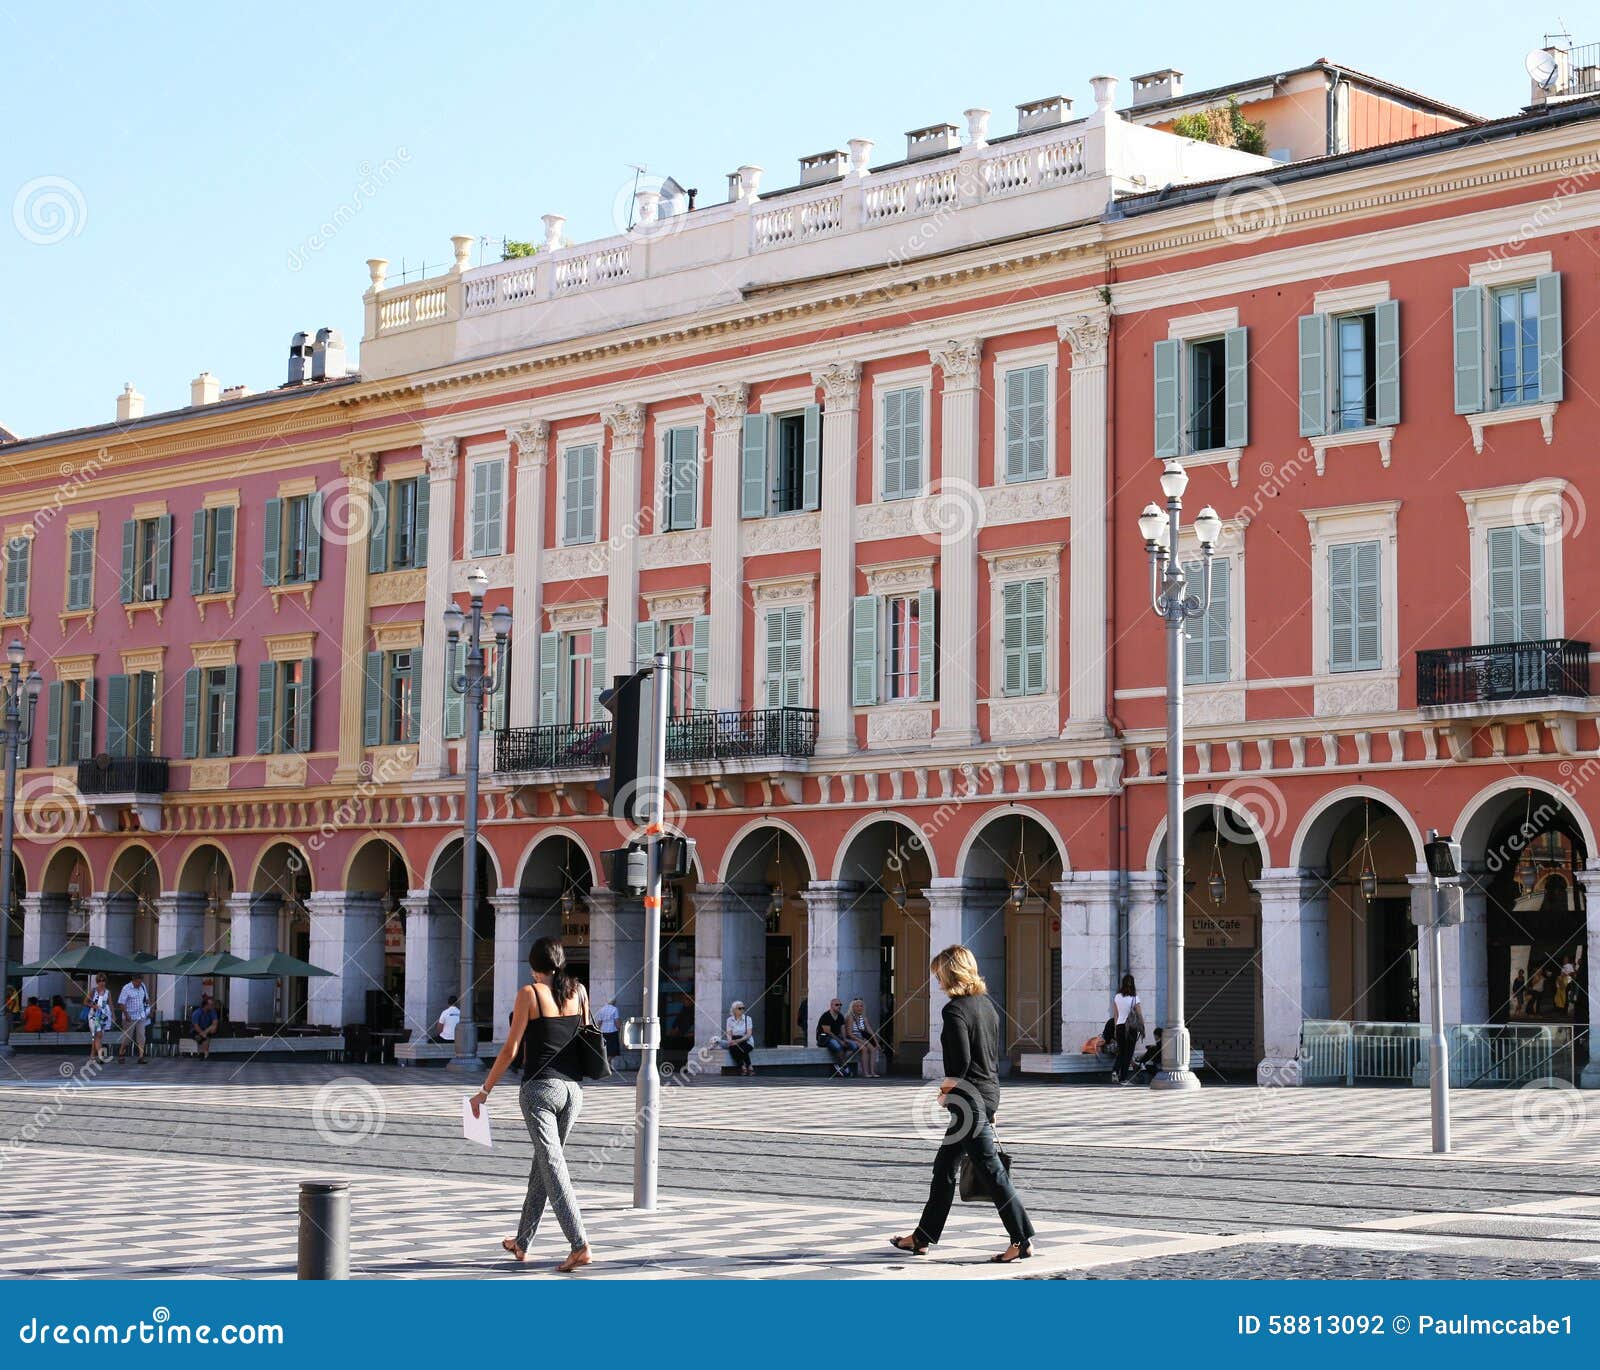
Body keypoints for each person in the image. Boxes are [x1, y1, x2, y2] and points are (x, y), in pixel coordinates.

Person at [890, 945, 1036, 1263]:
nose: (937, 980)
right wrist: (990, 1106)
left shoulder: (954, 1010)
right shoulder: (987, 1006)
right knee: (944, 1167)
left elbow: (959, 1065)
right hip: (987, 1094)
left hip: (968, 1101)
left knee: (992, 1171)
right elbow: (989, 1060)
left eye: (938, 974)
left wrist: (944, 1092)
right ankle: (922, 1237)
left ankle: (1021, 1240)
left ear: (949, 973)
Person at [470, 937, 593, 1273]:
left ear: (533, 965)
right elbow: (586, 1038)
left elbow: (510, 1049)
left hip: (540, 1089)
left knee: (553, 1167)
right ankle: (522, 1241)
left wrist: (484, 1091)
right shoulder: (579, 992)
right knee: (544, 1165)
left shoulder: (530, 994)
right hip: (573, 1091)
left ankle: (579, 1244)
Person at [1110, 973, 1143, 1084]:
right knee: (1128, 1054)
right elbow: (1139, 1015)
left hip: (1119, 1026)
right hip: (1131, 1028)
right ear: (1133, 984)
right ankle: (1123, 1078)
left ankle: (1115, 1071)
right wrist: (1142, 1027)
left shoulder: (1117, 997)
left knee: (1121, 1052)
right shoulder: (1135, 998)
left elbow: (1116, 1015)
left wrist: (1115, 1029)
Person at [845, 997, 884, 1078]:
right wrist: (861, 1041)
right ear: (852, 1008)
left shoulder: (863, 1017)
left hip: (861, 1037)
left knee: (873, 1049)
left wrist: (876, 1042)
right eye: (857, 1006)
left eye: (861, 1006)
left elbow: (870, 1031)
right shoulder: (850, 1017)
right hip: (852, 1038)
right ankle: (865, 1072)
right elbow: (849, 1033)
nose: (859, 1008)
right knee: (864, 1049)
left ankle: (872, 1072)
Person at [117, 972, 151, 1065]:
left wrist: (148, 1007)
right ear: (133, 980)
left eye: (140, 982)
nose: (139, 984)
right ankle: (121, 1053)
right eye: (137, 982)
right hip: (129, 1016)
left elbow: (146, 998)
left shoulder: (142, 986)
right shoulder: (126, 988)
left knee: (141, 1036)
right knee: (128, 1038)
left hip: (141, 1016)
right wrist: (126, 1014)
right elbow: (121, 1003)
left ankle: (141, 1057)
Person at [815, 998, 850, 1076]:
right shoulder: (826, 1016)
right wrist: (840, 1041)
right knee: (837, 1046)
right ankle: (844, 1067)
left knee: (853, 1045)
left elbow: (843, 1029)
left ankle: (839, 1064)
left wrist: (845, 1039)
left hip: (836, 1037)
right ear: (831, 1005)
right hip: (824, 1038)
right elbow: (828, 1032)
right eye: (837, 1005)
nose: (839, 1006)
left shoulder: (840, 1016)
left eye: (840, 1005)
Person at [85, 975, 113, 1062]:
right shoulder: (93, 991)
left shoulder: (107, 992)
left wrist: (113, 1015)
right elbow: (85, 1002)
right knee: (98, 1034)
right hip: (94, 1016)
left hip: (103, 1017)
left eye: (103, 980)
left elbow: (110, 1004)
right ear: (97, 982)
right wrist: (94, 1006)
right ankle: (100, 1057)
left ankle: (92, 1055)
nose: (101, 982)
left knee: (97, 1037)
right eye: (99, 981)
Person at [724, 1000, 755, 1076]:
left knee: (741, 1049)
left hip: (747, 1041)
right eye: (740, 1008)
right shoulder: (729, 1020)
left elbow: (749, 1034)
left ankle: (746, 1066)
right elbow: (729, 1033)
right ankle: (745, 1066)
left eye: (743, 1008)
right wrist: (730, 1041)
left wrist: (738, 1041)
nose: (742, 1010)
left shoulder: (748, 1019)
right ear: (734, 1010)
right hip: (735, 1040)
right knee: (733, 1047)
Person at [594, 998, 623, 1073]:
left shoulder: (602, 1009)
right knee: (613, 1049)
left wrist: (597, 1030)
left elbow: (599, 1022)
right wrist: (620, 1028)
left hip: (603, 1030)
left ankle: (608, 1064)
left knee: (606, 1048)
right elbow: (616, 1021)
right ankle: (607, 1063)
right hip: (612, 1030)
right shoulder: (615, 1009)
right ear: (613, 1002)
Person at [190, 994, 220, 1059]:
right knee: (205, 1039)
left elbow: (215, 1023)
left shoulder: (212, 1011)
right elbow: (196, 1026)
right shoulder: (197, 1013)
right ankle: (205, 1055)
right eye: (211, 1005)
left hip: (207, 1030)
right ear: (206, 1005)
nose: (213, 1006)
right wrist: (203, 1034)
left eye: (213, 1005)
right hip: (196, 1031)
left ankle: (204, 1054)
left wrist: (210, 1030)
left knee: (211, 1029)